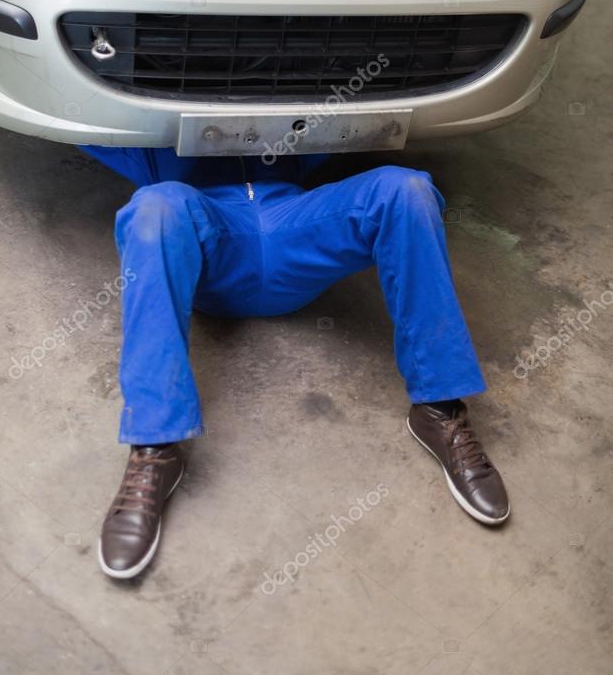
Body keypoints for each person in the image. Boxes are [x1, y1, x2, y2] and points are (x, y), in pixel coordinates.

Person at [82, 146, 509, 580]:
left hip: (296, 234)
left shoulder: (294, 119)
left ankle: (439, 407)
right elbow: (67, 97)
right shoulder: (150, 142)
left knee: (407, 188)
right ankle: (154, 446)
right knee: (155, 205)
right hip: (210, 243)